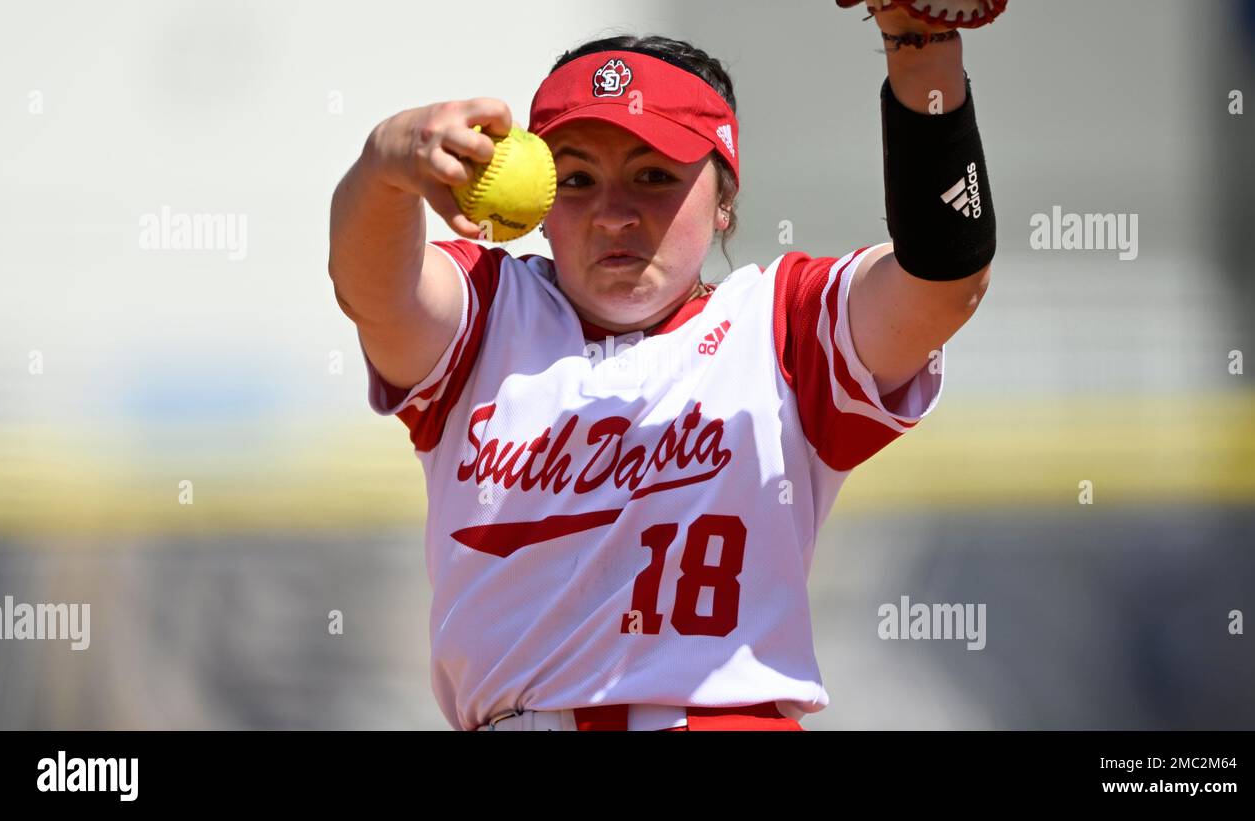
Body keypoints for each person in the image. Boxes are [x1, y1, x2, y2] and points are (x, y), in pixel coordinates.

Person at [327, 5, 994, 731]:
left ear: (725, 201)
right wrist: (384, 166)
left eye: (652, 174)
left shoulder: (779, 323)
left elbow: (943, 282)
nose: (614, 213)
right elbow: (369, 287)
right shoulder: (488, 312)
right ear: (540, 206)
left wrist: (922, 52)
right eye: (576, 180)